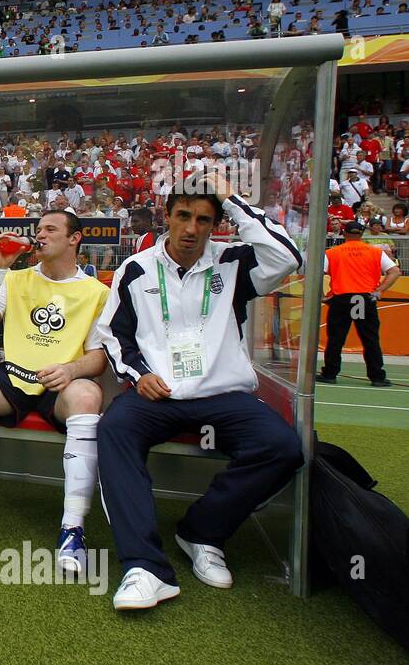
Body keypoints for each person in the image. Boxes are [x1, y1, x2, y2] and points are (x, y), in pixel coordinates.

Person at [95, 173, 305, 611]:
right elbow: (114, 336)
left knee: (283, 446)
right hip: (159, 393)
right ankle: (145, 567)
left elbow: (287, 258)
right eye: (184, 216)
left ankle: (201, 533)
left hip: (223, 394)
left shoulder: (234, 262)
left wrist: (232, 200)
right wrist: (139, 375)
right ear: (167, 216)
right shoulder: (137, 269)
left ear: (216, 224)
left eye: (205, 219)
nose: (192, 229)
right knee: (115, 428)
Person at [0, 211, 110, 570]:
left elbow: (98, 359)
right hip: (15, 374)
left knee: (88, 396)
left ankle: (72, 528)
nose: (40, 235)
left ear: (74, 238)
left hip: (61, 382)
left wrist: (71, 369)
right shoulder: (14, 280)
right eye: (38, 230)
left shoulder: (97, 293)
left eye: (50, 229)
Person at [318, 221, 400, 388]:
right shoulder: (375, 252)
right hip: (366, 297)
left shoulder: (332, 252)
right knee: (370, 338)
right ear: (362, 234)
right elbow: (394, 271)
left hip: (341, 298)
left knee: (336, 339)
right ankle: (377, 376)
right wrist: (379, 290)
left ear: (344, 233)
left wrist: (321, 295)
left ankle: (330, 373)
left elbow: (317, 273)